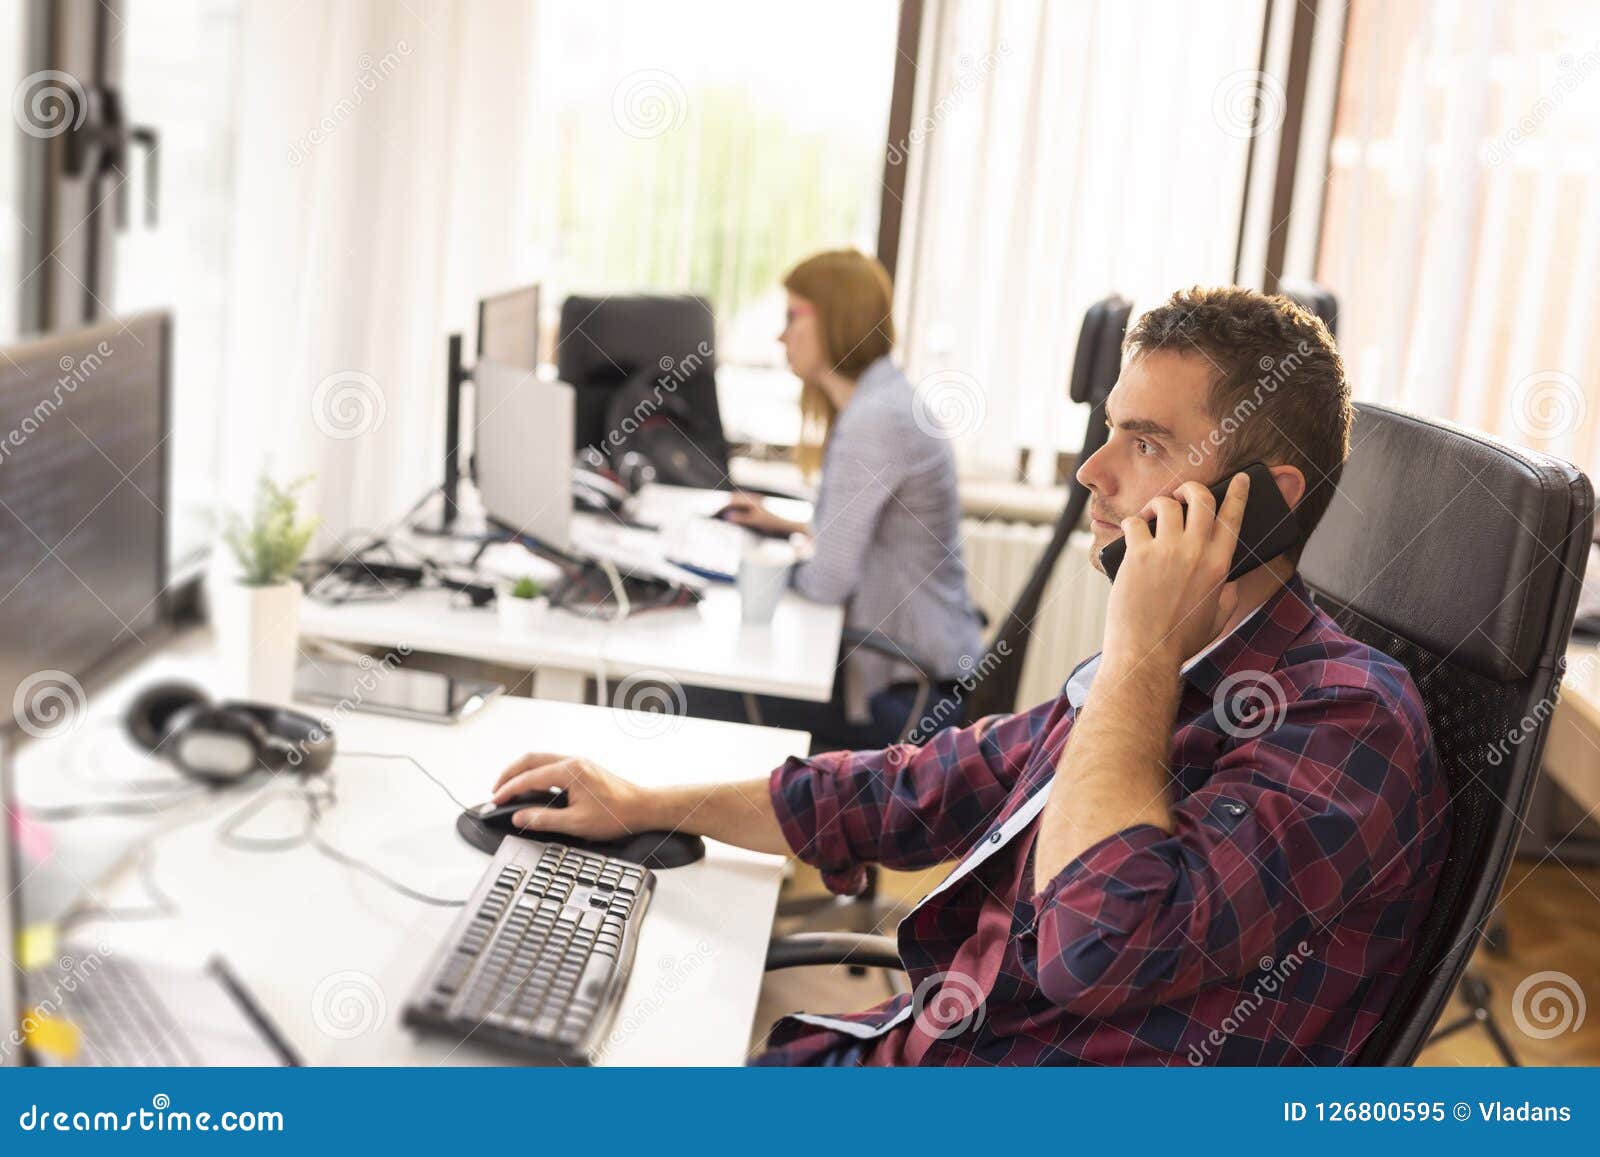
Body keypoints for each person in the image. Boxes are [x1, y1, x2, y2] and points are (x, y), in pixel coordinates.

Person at [487, 287, 1452, 1065]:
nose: (1093, 472)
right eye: (1108, 430)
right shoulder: (1168, 668)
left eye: (1147, 443)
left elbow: (1094, 946)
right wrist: (649, 802)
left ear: (1264, 502)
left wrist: (1139, 653)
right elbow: (919, 786)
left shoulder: (1348, 721)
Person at [711, 248, 985, 751]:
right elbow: (875, 535)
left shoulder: (875, 419)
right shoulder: (883, 399)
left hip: (908, 700)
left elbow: (828, 582)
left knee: (699, 693)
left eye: (792, 317)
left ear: (835, 320)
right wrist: (790, 528)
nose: (781, 336)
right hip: (917, 676)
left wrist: (742, 574)